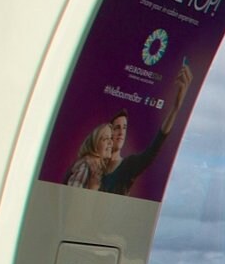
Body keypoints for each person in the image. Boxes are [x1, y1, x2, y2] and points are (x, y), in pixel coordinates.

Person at [64, 60, 193, 196]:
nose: (121, 133)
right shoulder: (91, 166)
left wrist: (175, 108)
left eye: (124, 128)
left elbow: (155, 146)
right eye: (116, 128)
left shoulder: (129, 166)